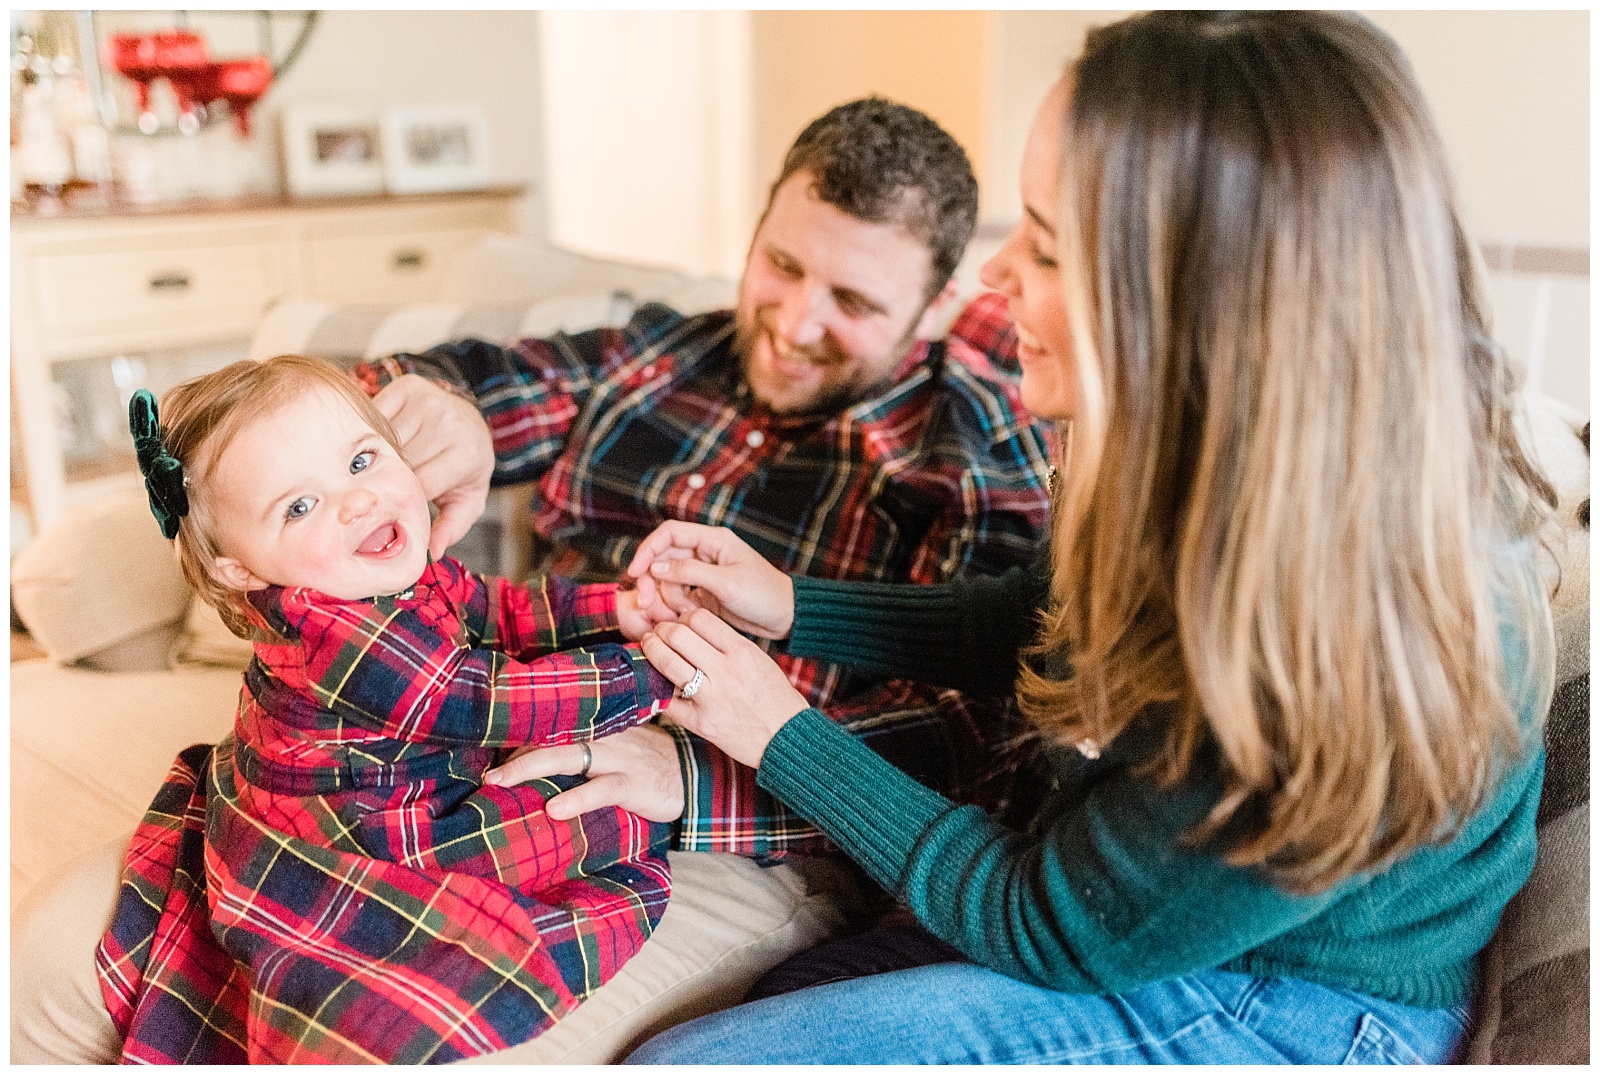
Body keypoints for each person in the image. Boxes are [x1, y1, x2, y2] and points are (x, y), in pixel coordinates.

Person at [609, 10, 1558, 1064]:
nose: (995, 275)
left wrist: (775, 729)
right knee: (795, 989)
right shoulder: (1181, 446)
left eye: (1049, 247)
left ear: (1202, 304)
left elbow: (1053, 921)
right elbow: (1042, 622)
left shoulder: (1346, 636)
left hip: (1300, 1002)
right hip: (1149, 924)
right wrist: (795, 605)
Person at [364, 96, 1056, 859]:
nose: (793, 324)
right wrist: (449, 410)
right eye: (782, 266)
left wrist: (691, 776)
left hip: (718, 827)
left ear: (934, 305)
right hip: (479, 733)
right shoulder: (653, 355)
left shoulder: (968, 449)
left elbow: (969, 729)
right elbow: (444, 382)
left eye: (852, 301)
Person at [99, 357, 680, 1063]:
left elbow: (498, 607)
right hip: (359, 831)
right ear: (242, 570)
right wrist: (648, 673)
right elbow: (484, 698)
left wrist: (615, 605)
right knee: (598, 819)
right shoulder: (334, 630)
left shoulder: (396, 567)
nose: (358, 501)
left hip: (392, 772)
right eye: (299, 505)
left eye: (363, 460)